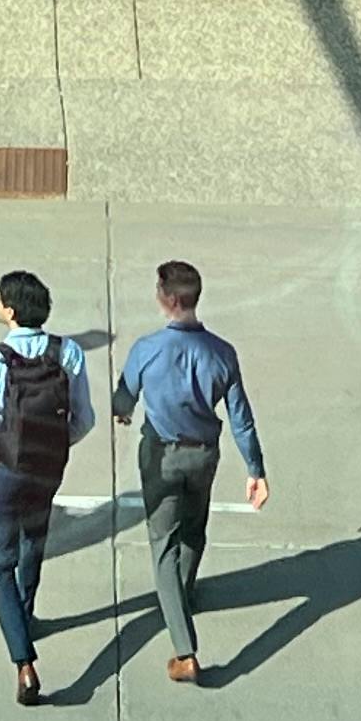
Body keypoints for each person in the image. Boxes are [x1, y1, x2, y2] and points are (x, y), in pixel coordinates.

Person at [112, 257, 270, 685]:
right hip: (204, 456)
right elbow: (241, 418)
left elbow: (123, 400)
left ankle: (185, 650)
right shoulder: (222, 353)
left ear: (167, 299)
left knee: (162, 543)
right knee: (194, 530)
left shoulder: (147, 349)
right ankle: (185, 592)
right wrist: (255, 469)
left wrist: (122, 412)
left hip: (161, 457)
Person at [0, 269, 93, 704]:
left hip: (2, 472)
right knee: (34, 542)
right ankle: (27, 613)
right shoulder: (68, 352)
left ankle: (24, 662)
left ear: (11, 311)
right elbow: (84, 419)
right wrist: (55, 445)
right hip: (47, 469)